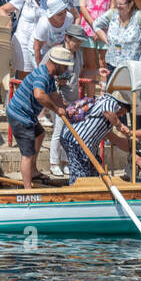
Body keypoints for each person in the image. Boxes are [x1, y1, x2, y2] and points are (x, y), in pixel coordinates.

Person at [5, 45, 73, 189]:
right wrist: (55, 109)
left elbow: (54, 95)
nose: (66, 70)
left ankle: (34, 171)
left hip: (28, 115)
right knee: (27, 154)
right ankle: (28, 189)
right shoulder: (42, 75)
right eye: (65, 66)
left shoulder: (50, 76)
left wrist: (64, 109)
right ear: (57, 64)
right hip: (20, 116)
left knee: (40, 134)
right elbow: (39, 95)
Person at [62, 91, 133, 183]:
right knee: (80, 175)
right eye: (124, 111)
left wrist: (132, 148)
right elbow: (108, 111)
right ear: (122, 105)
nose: (122, 115)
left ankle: (92, 191)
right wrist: (120, 126)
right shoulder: (110, 101)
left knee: (94, 170)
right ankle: (77, 193)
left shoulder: (106, 118)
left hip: (86, 146)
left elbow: (114, 138)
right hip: (75, 141)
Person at [48, 24, 87, 177]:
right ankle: (54, 162)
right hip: (58, 99)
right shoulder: (56, 52)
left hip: (72, 100)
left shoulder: (79, 54)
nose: (78, 44)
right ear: (67, 38)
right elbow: (45, 71)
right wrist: (58, 80)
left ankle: (65, 162)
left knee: (68, 132)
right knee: (58, 131)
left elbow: (78, 74)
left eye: (80, 41)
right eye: (75, 41)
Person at [78, 0, 116, 78]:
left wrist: (100, 28)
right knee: (90, 65)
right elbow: (82, 5)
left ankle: (103, 95)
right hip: (89, 26)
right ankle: (89, 96)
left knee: (104, 65)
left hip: (106, 28)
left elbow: (113, 6)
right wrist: (95, 26)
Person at [32, 0, 74, 68]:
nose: (63, 16)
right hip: (39, 50)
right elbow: (37, 48)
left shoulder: (69, 18)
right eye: (59, 14)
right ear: (52, 15)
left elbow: (68, 39)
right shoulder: (44, 24)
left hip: (56, 50)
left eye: (65, 12)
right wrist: (40, 69)